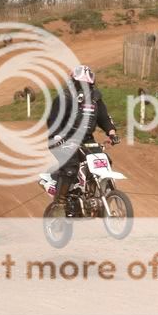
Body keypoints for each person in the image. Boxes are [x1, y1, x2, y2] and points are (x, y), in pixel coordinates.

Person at [46, 65, 120, 215]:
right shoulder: (64, 98)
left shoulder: (96, 98)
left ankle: (96, 195)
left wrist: (111, 133)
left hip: (86, 139)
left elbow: (104, 117)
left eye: (88, 85)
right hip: (62, 139)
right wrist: (59, 137)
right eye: (81, 84)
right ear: (73, 83)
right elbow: (53, 121)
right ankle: (60, 203)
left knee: (104, 160)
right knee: (70, 168)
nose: (84, 88)